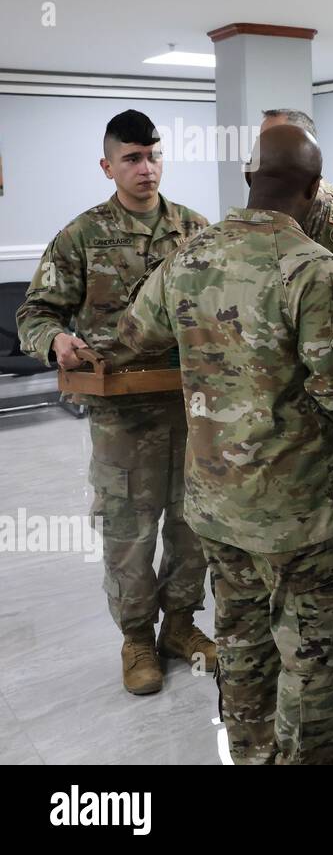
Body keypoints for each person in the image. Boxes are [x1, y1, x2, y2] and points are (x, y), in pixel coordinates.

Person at [118, 124, 333, 763]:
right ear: (313, 191)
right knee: (314, 655)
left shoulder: (189, 256)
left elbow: (137, 330)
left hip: (214, 504)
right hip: (297, 513)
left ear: (250, 179)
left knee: (242, 640)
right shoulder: (317, 272)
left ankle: (250, 753)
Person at [17, 110, 213, 695]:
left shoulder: (194, 229)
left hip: (191, 408)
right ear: (108, 166)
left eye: (153, 156)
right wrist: (55, 341)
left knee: (190, 524)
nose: (146, 168)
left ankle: (181, 624)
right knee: (129, 529)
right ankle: (136, 638)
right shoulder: (82, 235)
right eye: (132, 158)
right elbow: (35, 311)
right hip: (121, 412)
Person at [260, 108, 333, 277]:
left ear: (301, 140)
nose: (263, 147)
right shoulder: (279, 193)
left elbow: (332, 276)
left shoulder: (321, 200)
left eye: (273, 137)